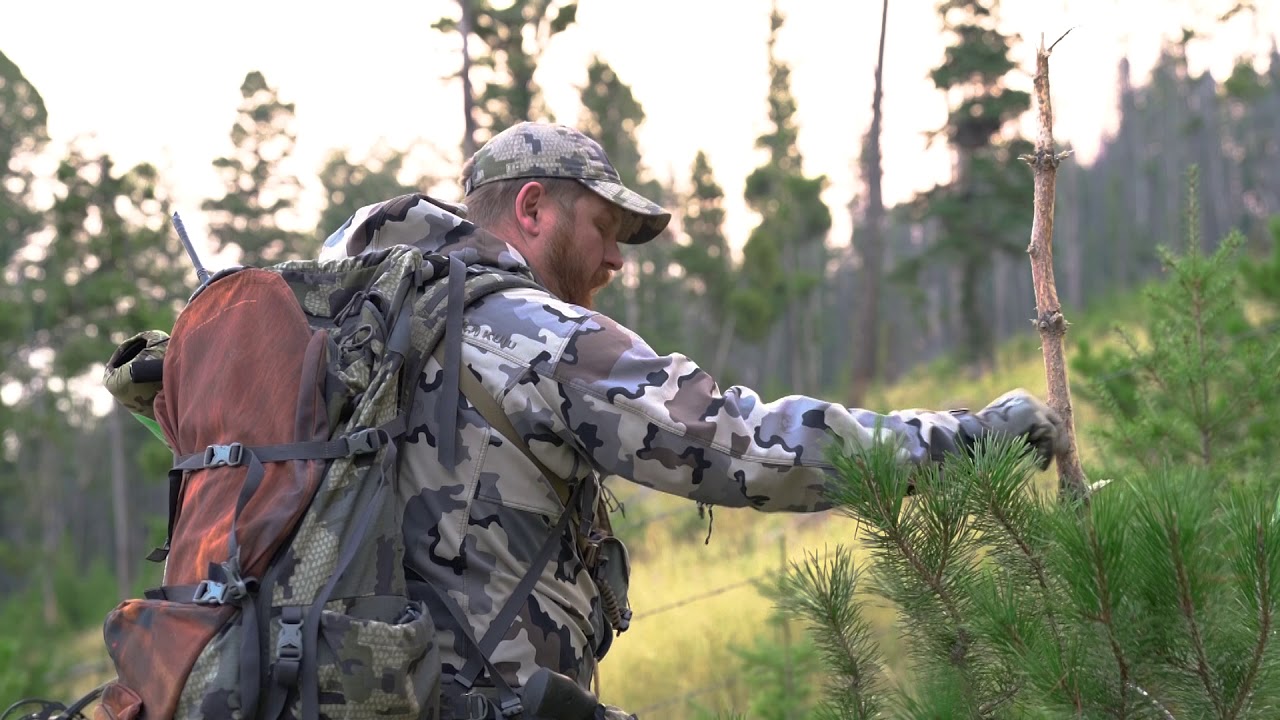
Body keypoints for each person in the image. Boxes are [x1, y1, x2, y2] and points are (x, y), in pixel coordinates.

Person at [318, 121, 1067, 718]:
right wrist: (969, 440)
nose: (616, 257)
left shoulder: (357, 331)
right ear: (534, 207)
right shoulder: (538, 337)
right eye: (604, 226)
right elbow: (745, 446)